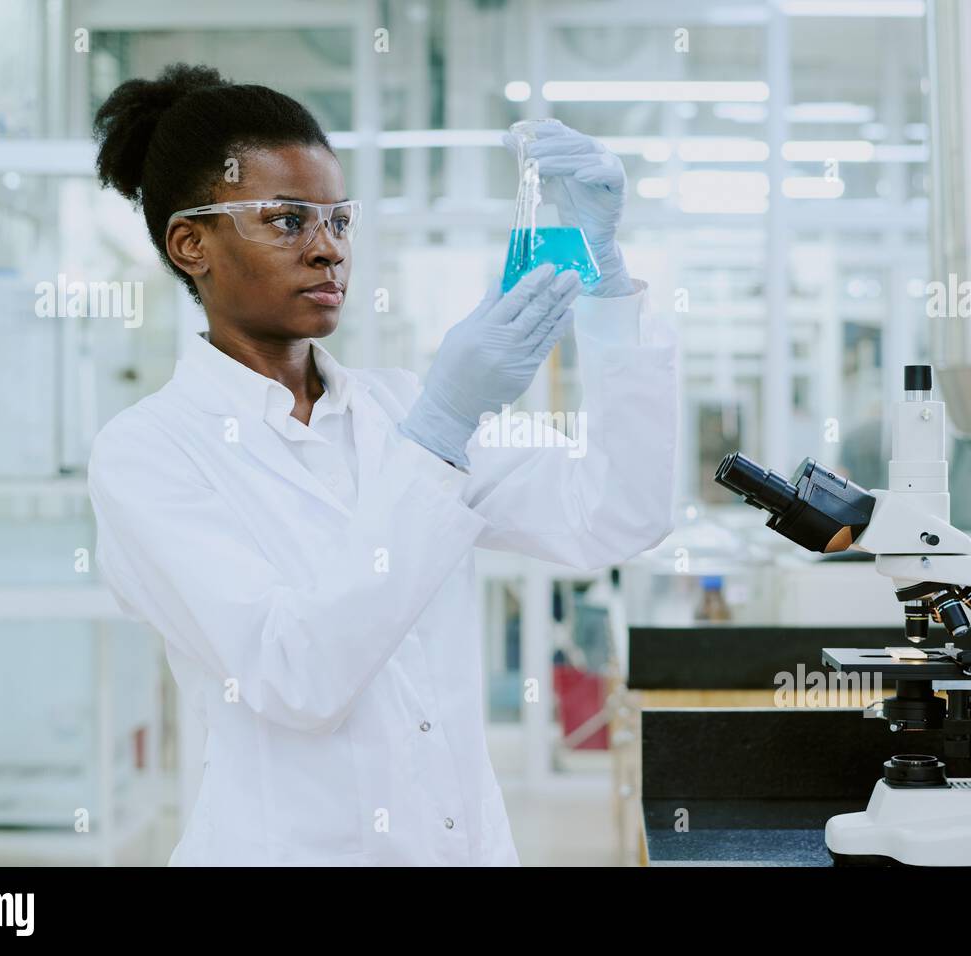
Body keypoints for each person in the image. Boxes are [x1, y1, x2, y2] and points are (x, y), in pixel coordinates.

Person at [86, 63, 678, 865]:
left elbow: (615, 514)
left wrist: (608, 292)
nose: (327, 250)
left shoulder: (395, 408)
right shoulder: (149, 453)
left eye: (338, 219)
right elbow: (296, 674)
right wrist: (439, 434)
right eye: (287, 221)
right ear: (191, 243)